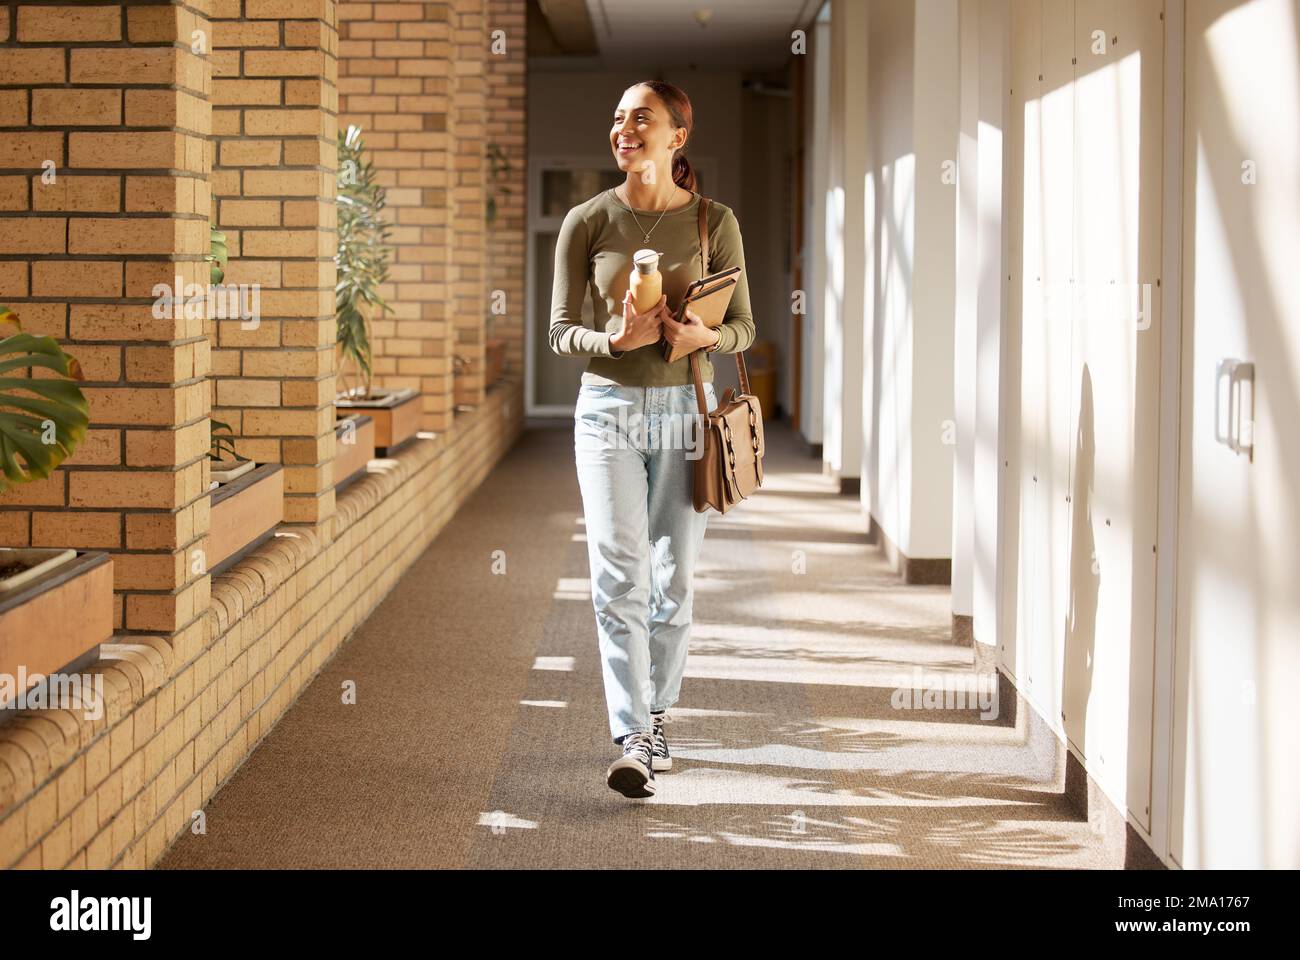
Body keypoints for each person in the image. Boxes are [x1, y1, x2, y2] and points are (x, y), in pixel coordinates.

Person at [548, 80, 756, 798]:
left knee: (674, 577)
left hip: (683, 413)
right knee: (616, 574)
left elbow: (745, 328)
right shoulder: (586, 220)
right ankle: (633, 732)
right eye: (617, 118)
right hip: (604, 411)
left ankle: (659, 710)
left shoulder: (714, 221)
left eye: (642, 118)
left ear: (677, 136)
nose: (624, 128)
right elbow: (558, 331)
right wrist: (610, 339)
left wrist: (705, 334)